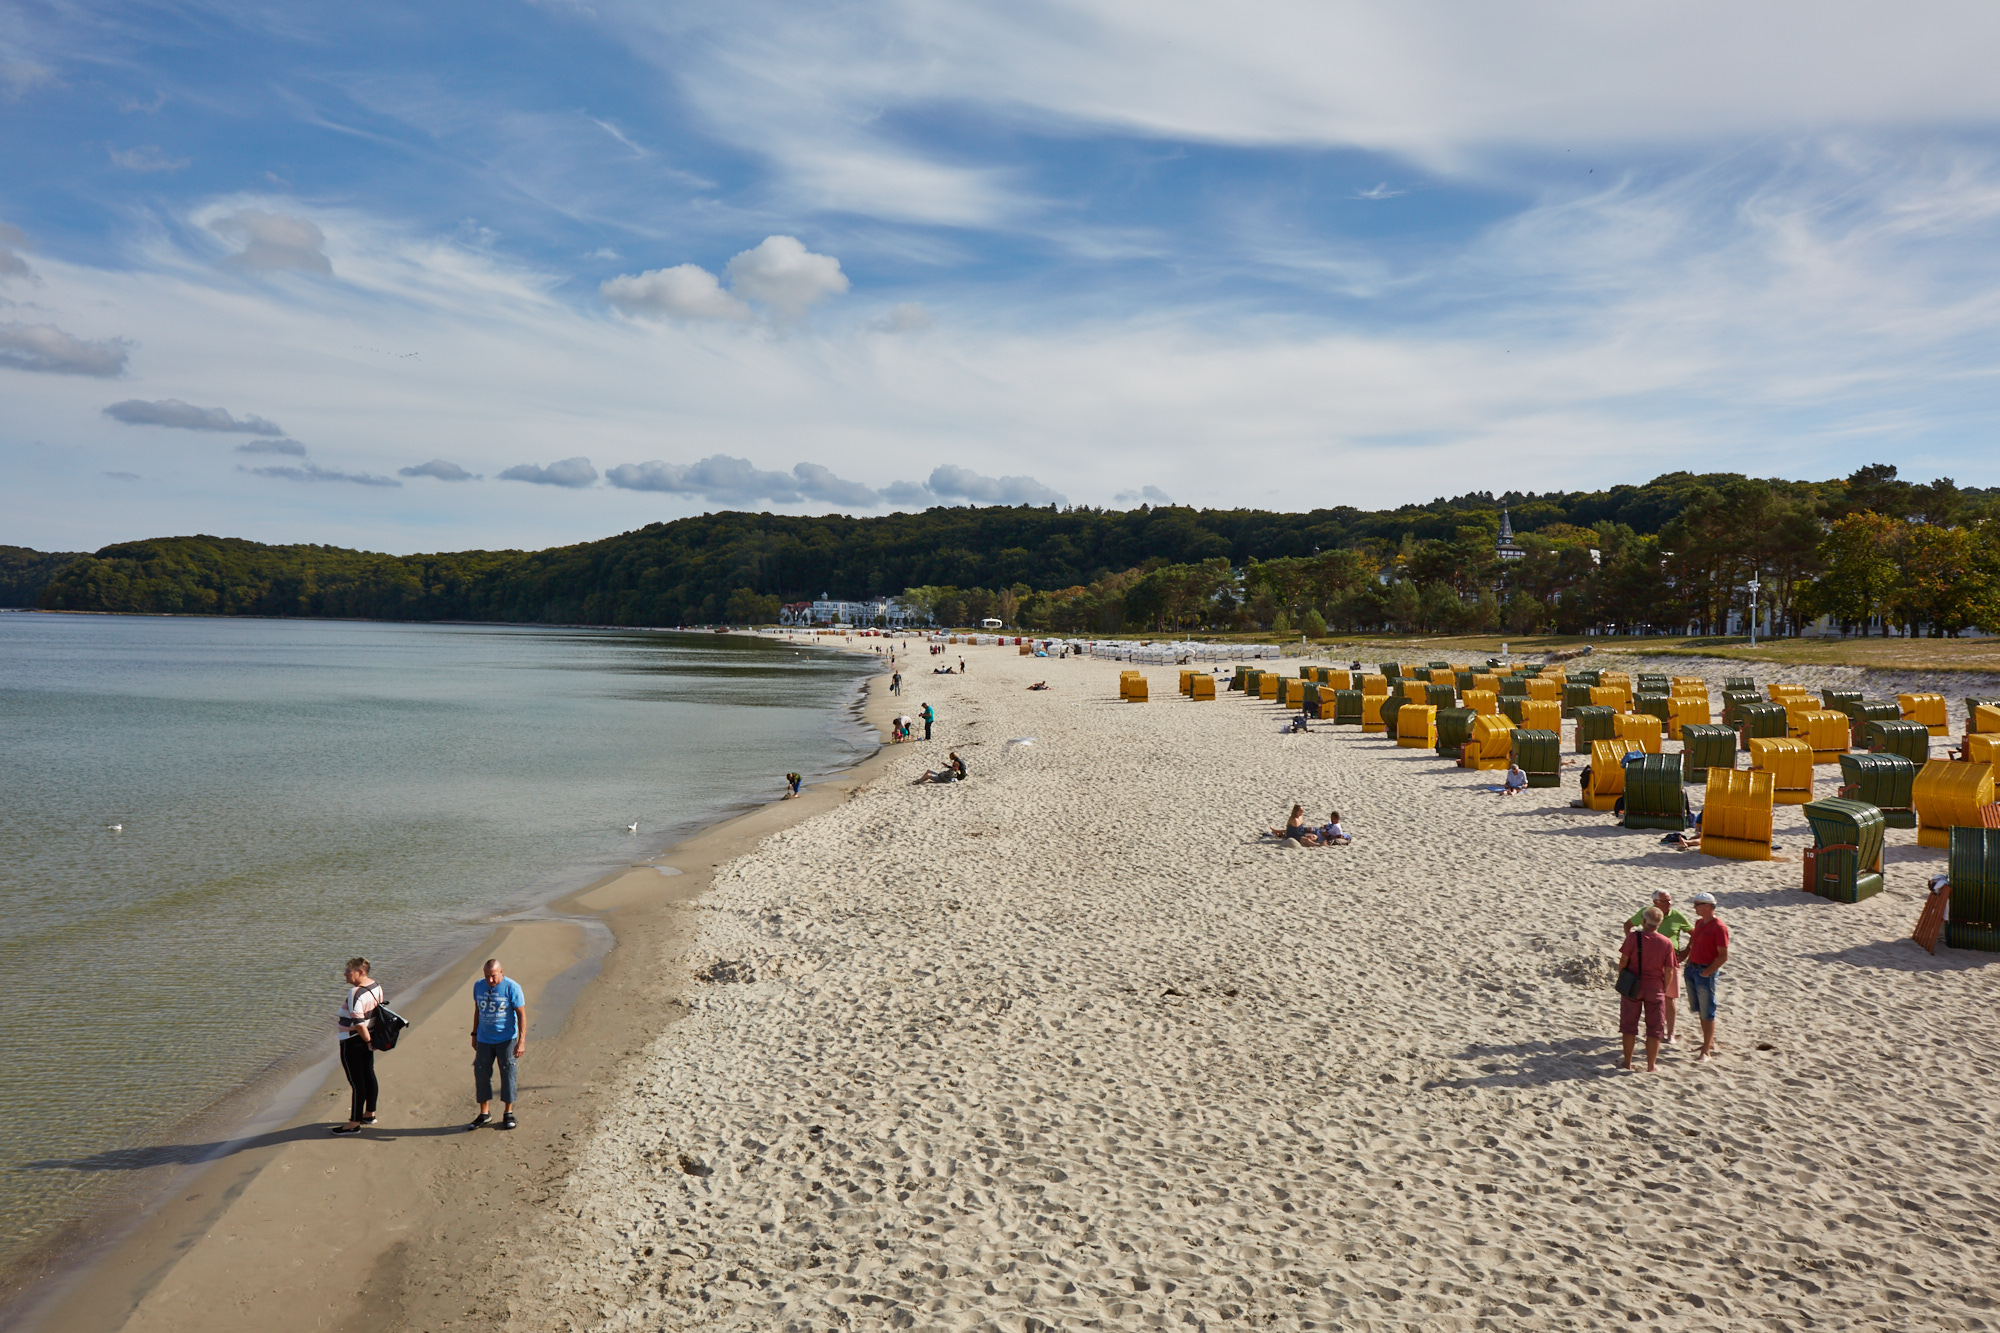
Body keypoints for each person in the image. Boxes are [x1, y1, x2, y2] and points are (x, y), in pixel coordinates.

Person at [1625, 891, 1692, 1045]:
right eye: (1665, 901)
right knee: (1649, 997)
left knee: (1669, 998)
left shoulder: (1677, 916)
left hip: (1670, 962)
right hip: (1648, 962)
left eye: (1670, 901)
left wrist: (1686, 951)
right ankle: (1653, 1031)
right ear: (1655, 902)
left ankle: (1670, 1034)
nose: (1669, 904)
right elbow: (1628, 925)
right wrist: (1632, 948)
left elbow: (1694, 933)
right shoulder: (1646, 913)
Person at [468, 958, 528, 1130]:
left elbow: (521, 1015)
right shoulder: (478, 986)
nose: (490, 980)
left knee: (508, 1073)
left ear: (501, 972)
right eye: (487, 976)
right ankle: (484, 1113)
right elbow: (477, 1010)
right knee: (481, 1074)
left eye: (493, 976)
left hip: (506, 1039)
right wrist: (474, 1034)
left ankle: (508, 1112)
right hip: (484, 1039)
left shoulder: (512, 987)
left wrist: (521, 1041)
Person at [1618, 906, 1673, 1072]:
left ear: (1643, 921)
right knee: (1655, 1029)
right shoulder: (1666, 942)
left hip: (1634, 985)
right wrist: (1663, 988)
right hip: (1655, 987)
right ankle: (1651, 1065)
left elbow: (1623, 961)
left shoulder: (1633, 938)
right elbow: (1669, 970)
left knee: (1629, 1026)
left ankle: (1627, 1062)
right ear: (1660, 923)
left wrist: (1623, 977)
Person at [332, 957, 383, 1134]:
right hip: (367, 1038)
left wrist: (367, 1040)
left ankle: (354, 1123)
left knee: (356, 1083)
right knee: (369, 1073)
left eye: (349, 970)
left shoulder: (355, 993)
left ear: (360, 972)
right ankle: (369, 1113)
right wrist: (370, 1041)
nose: (345, 973)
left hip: (353, 1040)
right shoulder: (376, 986)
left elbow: (359, 1022)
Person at [1679, 891, 1729, 1061]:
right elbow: (1693, 944)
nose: (1694, 907)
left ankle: (1706, 1051)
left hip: (1704, 971)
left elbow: (1723, 955)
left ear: (1707, 906)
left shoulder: (1719, 927)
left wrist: (1707, 972)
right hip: (1693, 969)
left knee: (1708, 1011)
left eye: (1697, 904)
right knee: (1700, 1008)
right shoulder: (1699, 923)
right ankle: (1708, 1042)